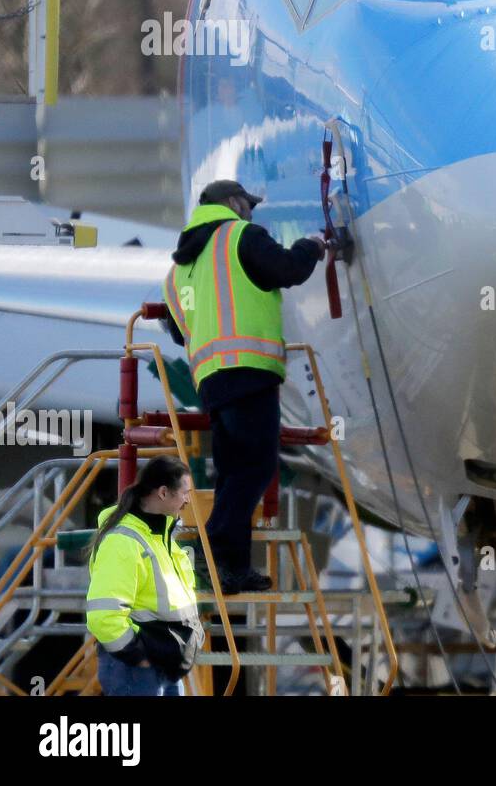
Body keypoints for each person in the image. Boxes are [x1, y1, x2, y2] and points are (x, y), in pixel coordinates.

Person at [162, 180, 325, 593]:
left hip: (212, 381)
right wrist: (314, 245)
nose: (251, 212)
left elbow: (180, 330)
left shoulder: (180, 267)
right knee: (256, 466)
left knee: (235, 471)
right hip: (249, 371)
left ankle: (232, 567)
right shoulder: (240, 236)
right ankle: (213, 548)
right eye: (248, 205)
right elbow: (288, 269)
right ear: (235, 203)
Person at [86, 456, 202, 696]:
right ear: (163, 493)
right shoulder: (124, 541)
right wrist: (138, 657)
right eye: (185, 493)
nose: (188, 500)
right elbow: (104, 616)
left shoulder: (160, 536)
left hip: (163, 665)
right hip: (138, 670)